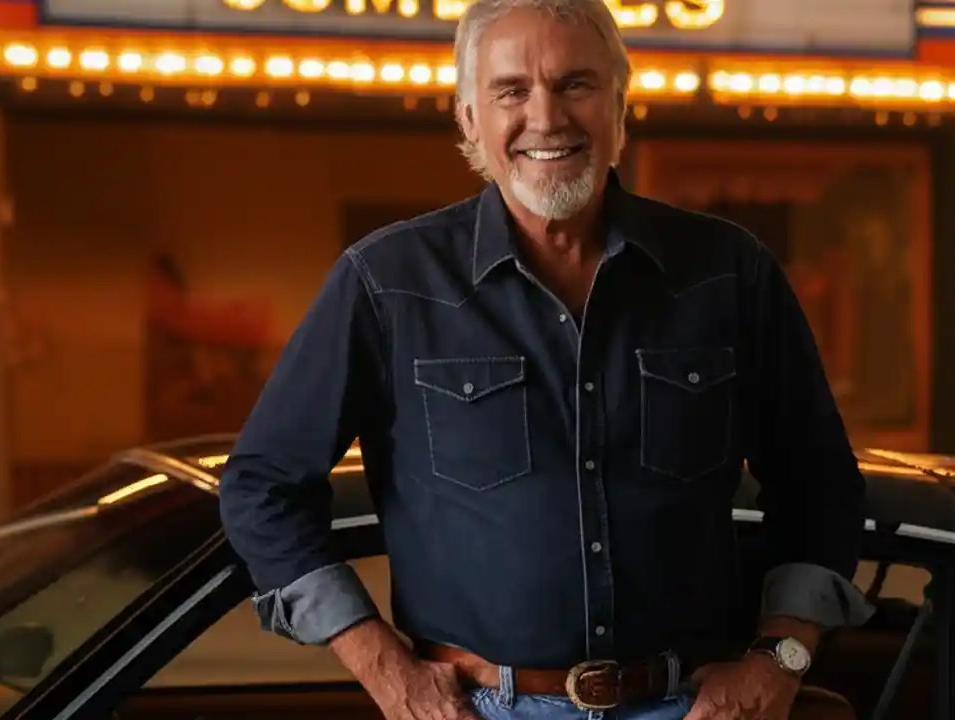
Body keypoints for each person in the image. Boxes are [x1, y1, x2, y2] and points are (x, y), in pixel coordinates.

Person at [218, 0, 872, 717]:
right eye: (512, 91)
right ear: (470, 119)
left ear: (620, 109)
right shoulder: (388, 284)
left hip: (689, 706)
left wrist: (780, 660)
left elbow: (821, 486)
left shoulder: (729, 274)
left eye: (575, 85)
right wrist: (384, 669)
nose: (547, 117)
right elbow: (263, 487)